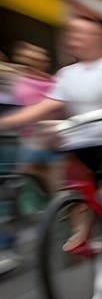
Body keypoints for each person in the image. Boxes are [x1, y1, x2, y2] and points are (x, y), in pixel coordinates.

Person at [0, 16, 102, 252]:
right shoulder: (66, 74)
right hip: (81, 141)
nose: (73, 38)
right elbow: (44, 106)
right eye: (71, 33)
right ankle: (82, 234)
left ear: (99, 38)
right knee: (77, 189)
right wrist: (7, 122)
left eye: (81, 33)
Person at [11, 42, 61, 192]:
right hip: (44, 141)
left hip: (43, 141)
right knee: (50, 188)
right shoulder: (54, 83)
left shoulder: (23, 84)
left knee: (28, 186)